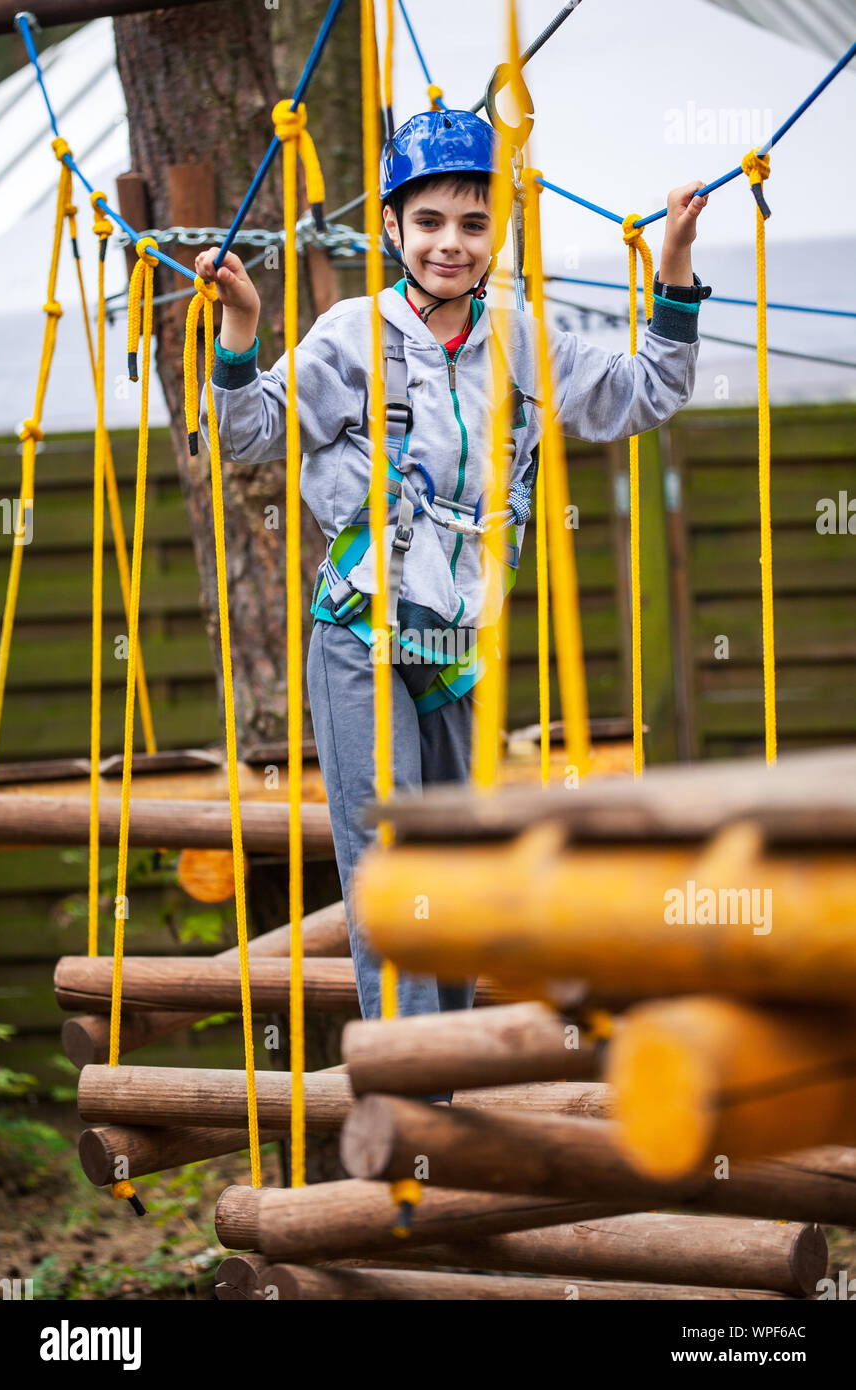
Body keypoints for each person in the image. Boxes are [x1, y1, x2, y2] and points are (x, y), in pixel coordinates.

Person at [197, 107, 709, 1026]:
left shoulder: (522, 339)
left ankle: (452, 1073)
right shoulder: (352, 335)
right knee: (388, 855)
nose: (451, 243)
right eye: (429, 221)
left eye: (474, 224)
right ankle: (415, 1088)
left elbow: (648, 393)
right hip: (364, 631)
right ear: (392, 228)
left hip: (460, 642)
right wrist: (242, 323)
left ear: (497, 232)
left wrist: (673, 266)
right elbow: (246, 432)